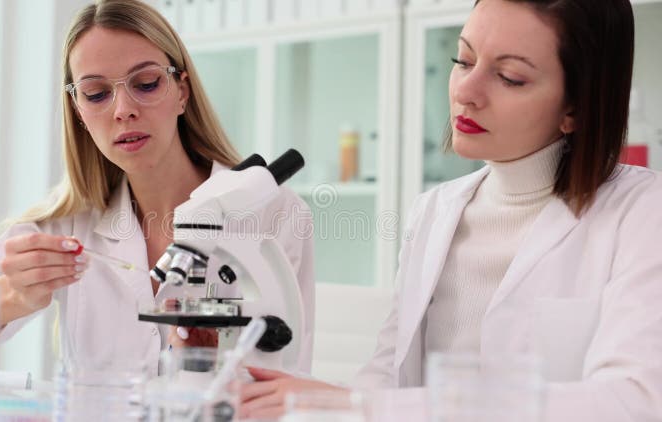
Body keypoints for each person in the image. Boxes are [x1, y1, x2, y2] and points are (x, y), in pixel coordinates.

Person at [240, 0, 662, 420]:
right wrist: (308, 399)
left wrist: (361, 403)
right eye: (463, 60)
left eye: (510, 77)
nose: (465, 91)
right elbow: (386, 380)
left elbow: (633, 401)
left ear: (576, 107)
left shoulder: (642, 212)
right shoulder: (435, 210)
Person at [0, 0, 314, 375]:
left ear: (182, 91)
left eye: (147, 83)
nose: (123, 110)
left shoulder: (272, 210)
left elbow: (285, 380)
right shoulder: (64, 226)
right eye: (97, 93)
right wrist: (9, 295)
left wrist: (206, 368)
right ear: (79, 112)